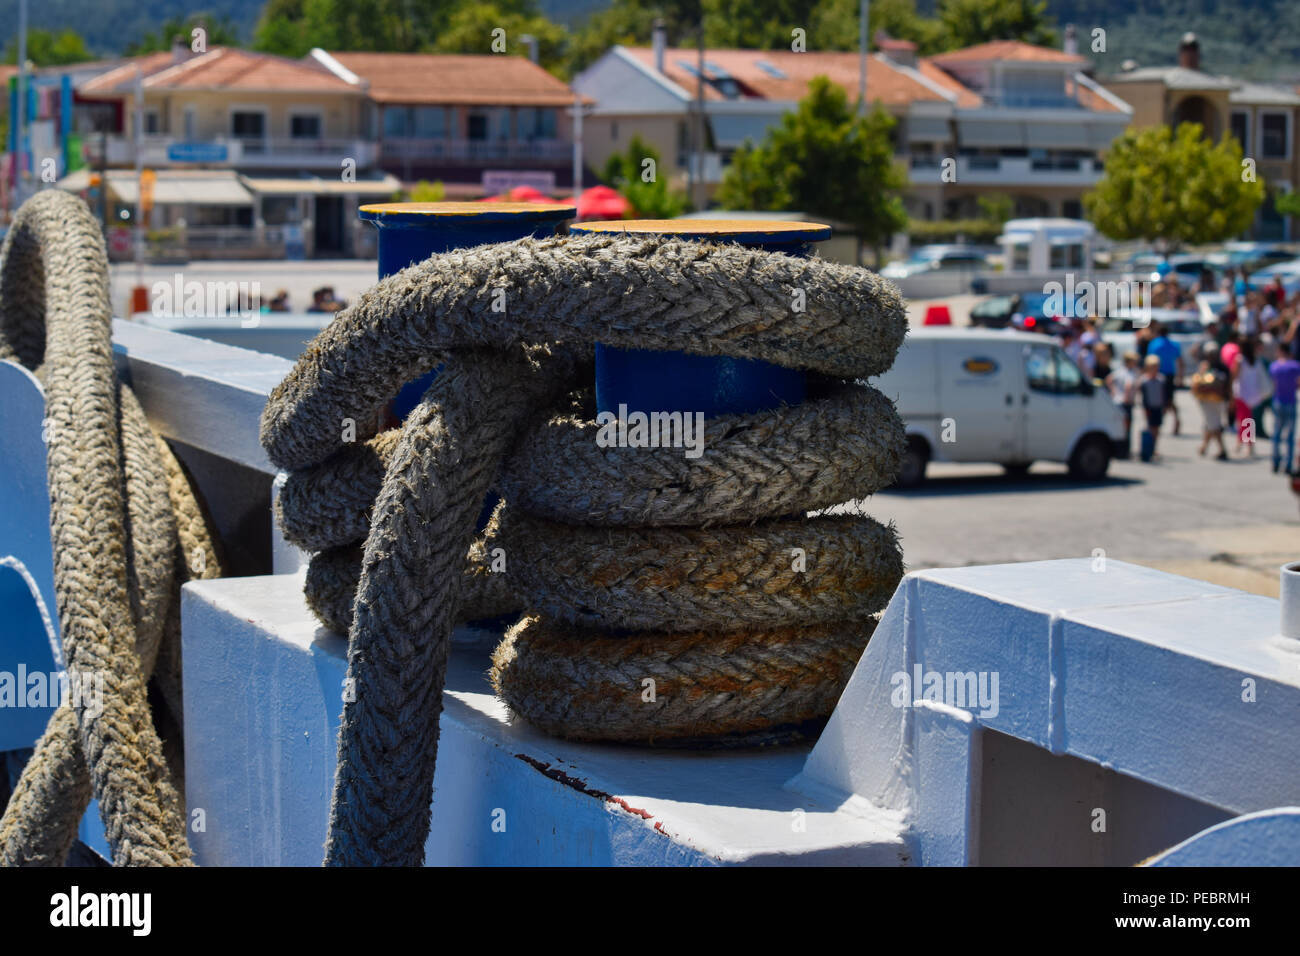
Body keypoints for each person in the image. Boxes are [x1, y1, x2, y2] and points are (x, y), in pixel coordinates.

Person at [1190, 345, 1229, 460]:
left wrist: (1230, 399)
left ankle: (1220, 449)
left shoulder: (1223, 368)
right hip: (1207, 400)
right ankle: (1207, 447)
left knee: (1213, 424)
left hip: (1218, 400)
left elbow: (1228, 385)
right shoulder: (1205, 367)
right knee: (1212, 423)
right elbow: (1197, 383)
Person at [1146, 321, 1183, 434]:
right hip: (1170, 375)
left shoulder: (1154, 344)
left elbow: (1150, 361)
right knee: (1169, 400)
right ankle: (1175, 420)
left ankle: (1156, 424)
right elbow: (1180, 362)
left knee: (1158, 400)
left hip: (1158, 375)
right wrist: (1180, 377)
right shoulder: (1174, 344)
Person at [1271, 348, 1300, 474]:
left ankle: (1276, 461)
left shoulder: (1275, 366)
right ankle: (1288, 464)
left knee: (1277, 433)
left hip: (1278, 401)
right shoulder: (1295, 366)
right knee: (1290, 436)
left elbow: (1272, 382)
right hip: (1291, 401)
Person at [1107, 351, 1140, 457]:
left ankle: (1118, 450)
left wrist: (1113, 392)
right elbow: (1128, 385)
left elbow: (1109, 380)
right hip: (1126, 402)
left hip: (1117, 401)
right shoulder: (1131, 373)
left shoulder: (1119, 371)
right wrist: (1127, 396)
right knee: (1127, 428)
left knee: (1119, 426)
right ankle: (1124, 451)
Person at [1139, 355, 1166, 461]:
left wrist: (1164, 405)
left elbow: (1163, 394)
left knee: (1157, 428)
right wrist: (1144, 408)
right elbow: (1143, 396)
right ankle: (1148, 448)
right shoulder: (1144, 380)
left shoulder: (1161, 379)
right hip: (1149, 406)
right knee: (1150, 428)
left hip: (1158, 406)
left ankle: (1154, 447)